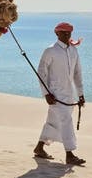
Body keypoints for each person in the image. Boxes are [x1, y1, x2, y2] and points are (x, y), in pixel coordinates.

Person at [33, 21, 86, 166]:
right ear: (57, 33)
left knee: (52, 122)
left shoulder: (74, 51)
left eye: (69, 32)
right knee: (66, 122)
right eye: (64, 32)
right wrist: (46, 94)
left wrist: (80, 94)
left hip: (69, 96)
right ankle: (70, 154)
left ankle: (39, 147)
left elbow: (77, 73)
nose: (67, 34)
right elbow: (41, 72)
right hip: (55, 96)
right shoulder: (50, 50)